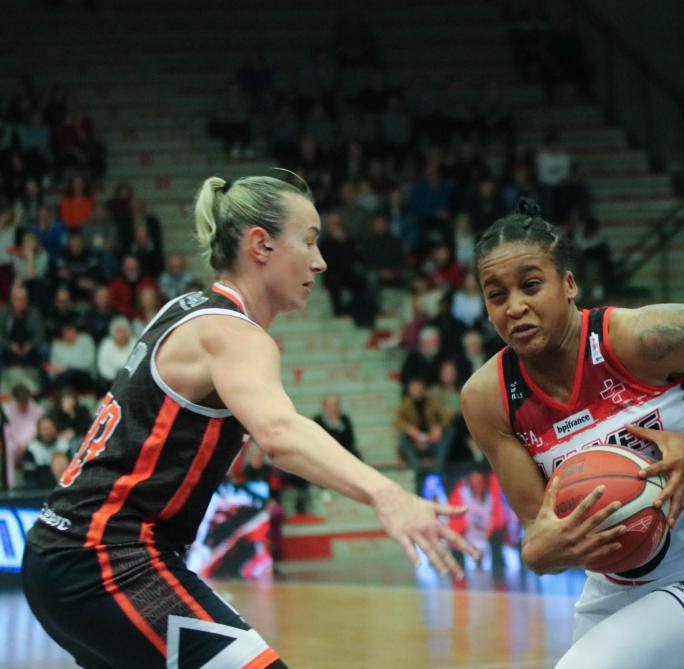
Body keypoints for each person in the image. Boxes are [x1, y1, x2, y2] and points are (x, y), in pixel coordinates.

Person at [21, 172, 477, 668]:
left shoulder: (184, 310)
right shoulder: (234, 334)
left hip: (62, 553)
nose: (320, 261)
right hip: (107, 560)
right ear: (260, 244)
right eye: (308, 242)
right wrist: (387, 494)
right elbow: (279, 435)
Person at [459, 201, 684, 668]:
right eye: (497, 295)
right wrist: (541, 552)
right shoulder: (488, 397)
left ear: (569, 284)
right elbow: (538, 535)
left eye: (530, 285)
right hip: (615, 592)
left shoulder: (638, 337)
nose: (516, 307)